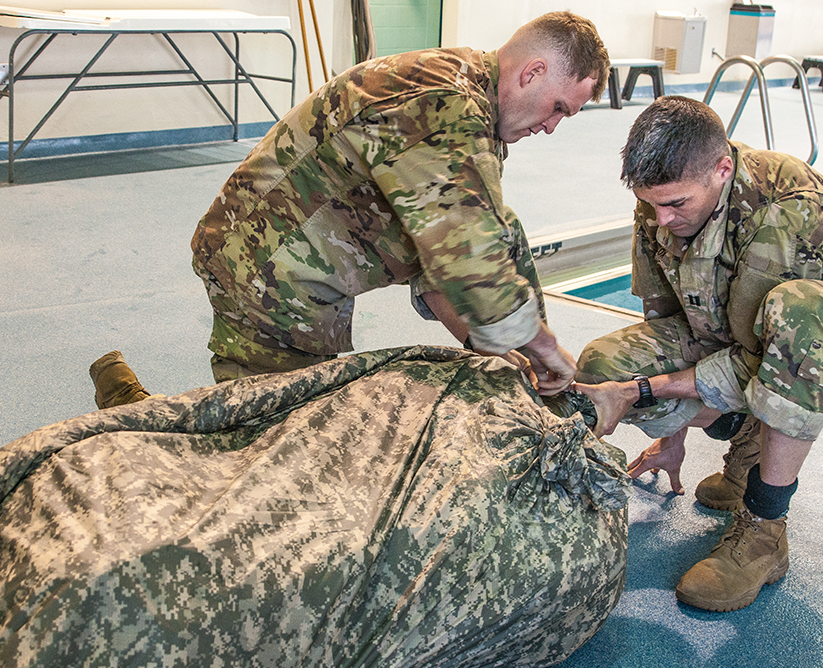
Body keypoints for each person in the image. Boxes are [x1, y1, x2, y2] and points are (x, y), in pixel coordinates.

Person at [91, 12, 609, 407]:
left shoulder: (477, 127)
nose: (552, 127)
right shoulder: (443, 103)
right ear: (533, 72)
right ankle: (127, 422)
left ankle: (140, 417)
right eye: (559, 107)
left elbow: (441, 268)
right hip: (265, 270)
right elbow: (470, 257)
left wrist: (499, 355)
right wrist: (542, 349)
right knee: (273, 451)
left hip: (305, 273)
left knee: (295, 432)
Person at [571, 95, 823, 612]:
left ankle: (764, 531)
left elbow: (765, 359)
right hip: (741, 339)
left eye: (676, 205)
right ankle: (747, 453)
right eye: (649, 204)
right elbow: (668, 323)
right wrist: (670, 436)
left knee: (797, 311)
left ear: (722, 170)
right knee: (605, 366)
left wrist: (648, 391)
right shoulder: (662, 205)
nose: (661, 219)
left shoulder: (793, 211)